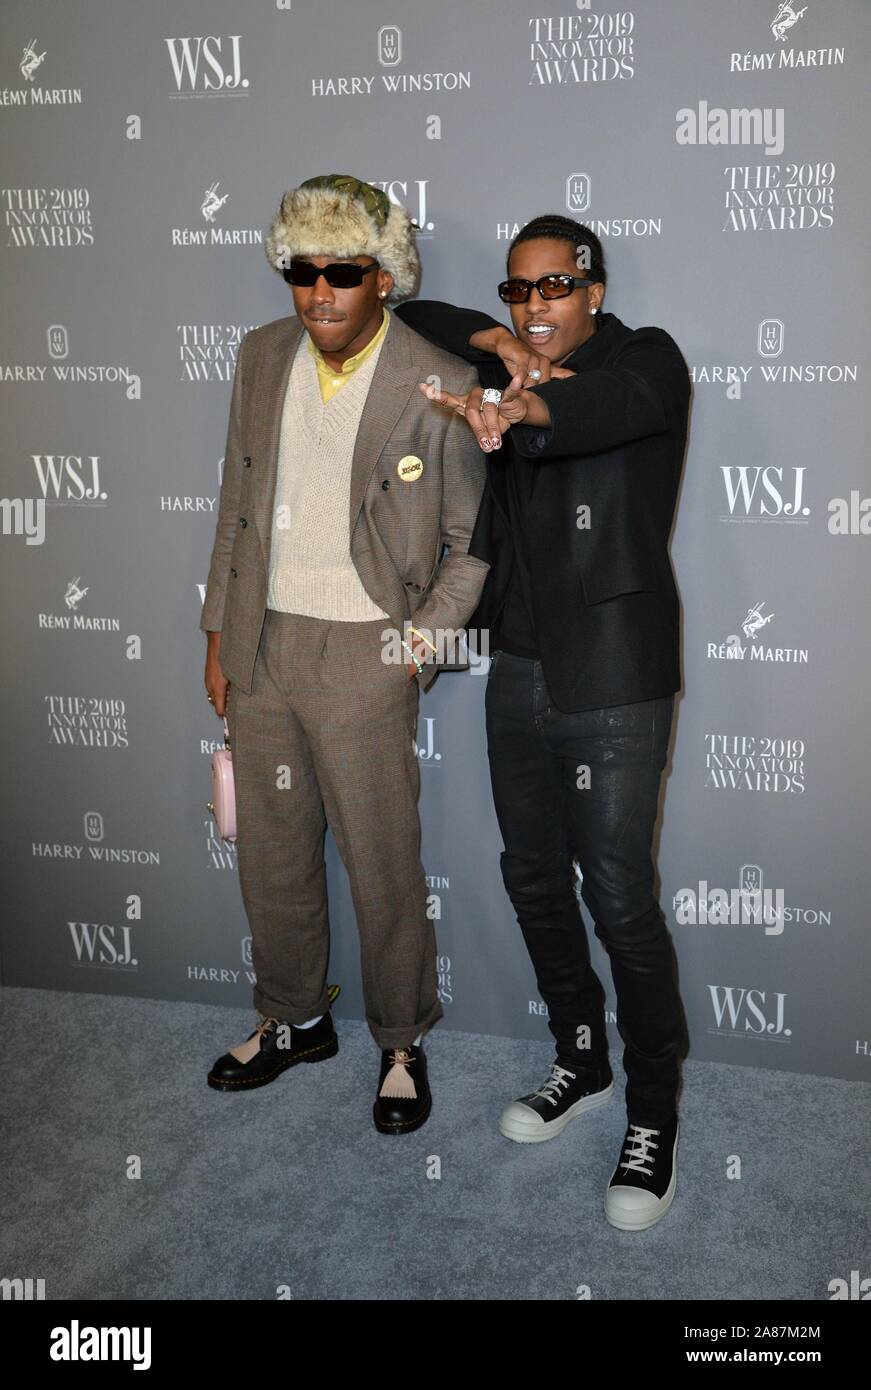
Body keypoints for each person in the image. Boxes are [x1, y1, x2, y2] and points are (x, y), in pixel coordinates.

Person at [395, 215, 691, 1227]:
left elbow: (608, 408)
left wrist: (527, 402)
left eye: (555, 286)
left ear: (596, 290)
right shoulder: (509, 353)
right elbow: (415, 308)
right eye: (519, 290)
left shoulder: (645, 361)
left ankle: (654, 1108)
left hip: (613, 675)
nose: (537, 306)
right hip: (517, 667)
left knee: (618, 896)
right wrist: (496, 347)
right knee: (531, 875)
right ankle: (583, 1058)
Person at [200, 175, 489, 1134]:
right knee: (272, 858)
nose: (319, 291)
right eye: (301, 270)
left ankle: (401, 1040)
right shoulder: (258, 356)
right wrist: (218, 633)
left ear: (384, 275)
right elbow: (235, 507)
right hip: (264, 643)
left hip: (367, 647)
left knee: (381, 863)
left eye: (342, 270)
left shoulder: (432, 380)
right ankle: (291, 1020)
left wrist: (416, 644)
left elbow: (469, 540)